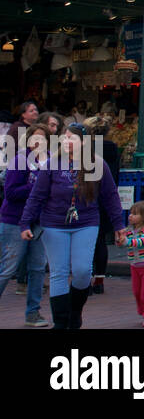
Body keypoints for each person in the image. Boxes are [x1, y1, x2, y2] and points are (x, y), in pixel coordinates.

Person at [20, 125, 126, 329]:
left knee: (82, 271)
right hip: (53, 223)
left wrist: (118, 224)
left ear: (84, 142)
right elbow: (36, 196)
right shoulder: (51, 164)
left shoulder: (97, 164)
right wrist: (25, 222)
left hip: (86, 222)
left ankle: (75, 312)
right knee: (59, 272)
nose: (67, 142)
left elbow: (110, 196)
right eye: (65, 138)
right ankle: (60, 322)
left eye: (72, 138)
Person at [0, 123, 51, 327]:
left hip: (39, 223)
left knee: (38, 268)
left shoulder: (52, 162)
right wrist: (36, 186)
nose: (38, 142)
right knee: (7, 268)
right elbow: (10, 192)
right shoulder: (20, 160)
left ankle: (33, 313)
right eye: (35, 138)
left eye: (43, 138)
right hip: (14, 220)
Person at [85, 117, 120, 294]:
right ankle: (99, 280)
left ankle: (86, 280)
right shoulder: (112, 148)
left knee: (85, 242)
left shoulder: (85, 149)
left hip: (88, 197)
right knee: (100, 242)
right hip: (106, 198)